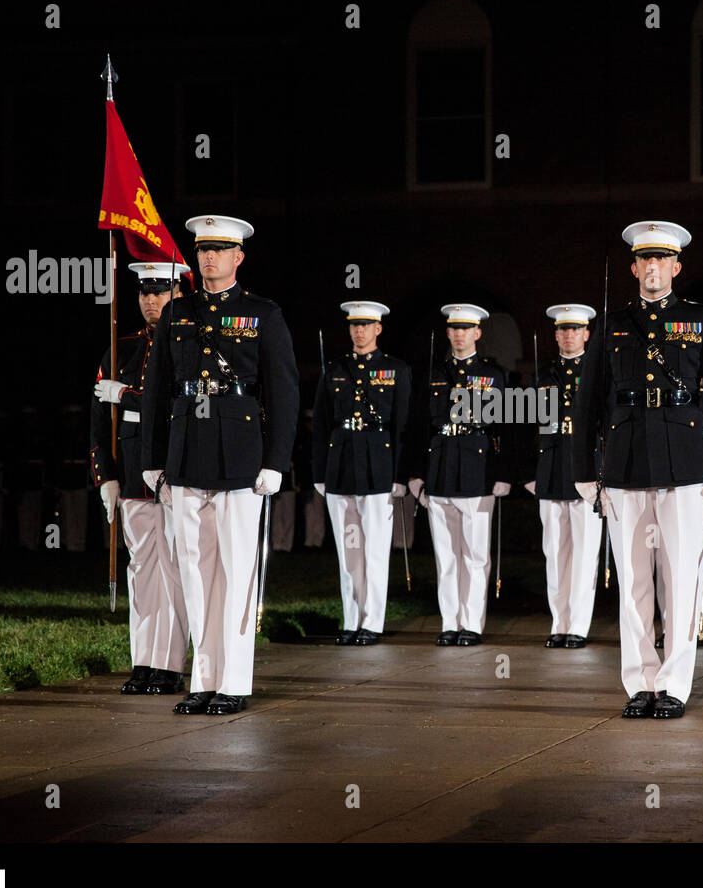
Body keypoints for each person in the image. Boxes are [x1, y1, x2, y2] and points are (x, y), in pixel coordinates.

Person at [572, 221, 703, 720]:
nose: (652, 268)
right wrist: (585, 469)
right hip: (624, 465)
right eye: (644, 260)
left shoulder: (701, 319)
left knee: (682, 578)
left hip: (685, 465)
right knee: (634, 583)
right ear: (633, 267)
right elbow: (588, 403)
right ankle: (640, 682)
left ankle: (674, 684)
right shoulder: (613, 323)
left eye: (661, 260)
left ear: (676, 267)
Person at [140, 215, 299, 716]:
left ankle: (233, 681)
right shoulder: (178, 313)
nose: (208, 257)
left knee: (235, 574)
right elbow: (158, 392)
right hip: (187, 455)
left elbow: (284, 395)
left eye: (219, 250)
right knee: (194, 573)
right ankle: (203, 680)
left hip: (241, 459)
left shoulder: (262, 315)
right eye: (202, 249)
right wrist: (152, 459)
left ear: (238, 257)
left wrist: (276, 461)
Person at [91, 260, 191, 695]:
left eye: (161, 292)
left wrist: (128, 395)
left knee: (172, 569)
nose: (151, 301)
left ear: (179, 295)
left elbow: (173, 404)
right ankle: (145, 661)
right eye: (145, 293)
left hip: (172, 477)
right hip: (132, 478)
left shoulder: (188, 346)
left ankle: (170, 665)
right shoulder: (120, 347)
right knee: (141, 571)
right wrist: (105, 477)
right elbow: (98, 419)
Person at [408, 304, 512, 646]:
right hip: (439, 469)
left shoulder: (493, 376)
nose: (458, 334)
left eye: (466, 329)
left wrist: (502, 473)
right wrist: (416, 473)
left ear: (477, 334)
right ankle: (449, 622)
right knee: (446, 555)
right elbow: (419, 425)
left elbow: (505, 428)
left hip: (477, 470)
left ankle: (472, 624)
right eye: (453, 329)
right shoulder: (433, 373)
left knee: (476, 555)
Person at [313, 301, 411, 645]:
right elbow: (321, 425)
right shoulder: (334, 369)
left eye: (366, 325)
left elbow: (402, 426)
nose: (359, 331)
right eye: (354, 325)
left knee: (374, 551)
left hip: (378, 469)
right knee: (348, 551)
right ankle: (351, 619)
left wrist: (400, 475)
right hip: (340, 468)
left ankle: (372, 621)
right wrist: (319, 473)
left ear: (378, 329)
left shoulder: (395, 369)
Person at [523, 304, 600, 649]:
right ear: (555, 335)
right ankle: (559, 623)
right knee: (555, 553)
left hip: (586, 472)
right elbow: (525, 428)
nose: (569, 335)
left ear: (586, 334)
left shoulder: (599, 374)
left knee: (584, 554)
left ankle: (578, 627)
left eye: (575, 330)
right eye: (562, 330)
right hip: (551, 471)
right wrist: (528, 474)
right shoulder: (544, 376)